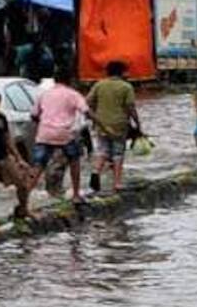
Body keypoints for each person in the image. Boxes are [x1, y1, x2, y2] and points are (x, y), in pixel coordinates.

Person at [0, 86, 32, 238]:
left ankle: (23, 209)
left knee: (22, 183)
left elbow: (7, 139)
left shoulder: (1, 118)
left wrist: (19, 158)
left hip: (3, 157)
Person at [29, 70, 87, 202]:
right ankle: (76, 195)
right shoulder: (73, 94)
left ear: (55, 80)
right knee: (74, 161)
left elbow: (33, 114)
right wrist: (103, 126)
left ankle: (24, 200)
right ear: (71, 80)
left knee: (38, 166)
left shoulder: (44, 94)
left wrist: (43, 124)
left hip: (44, 133)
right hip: (65, 134)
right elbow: (86, 111)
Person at [86, 60, 139, 194]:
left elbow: (87, 102)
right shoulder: (126, 87)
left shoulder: (99, 85)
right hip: (119, 125)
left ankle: (95, 171)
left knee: (103, 151)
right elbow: (130, 108)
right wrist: (138, 123)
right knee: (118, 153)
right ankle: (117, 183)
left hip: (101, 125)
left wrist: (95, 116)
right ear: (121, 72)